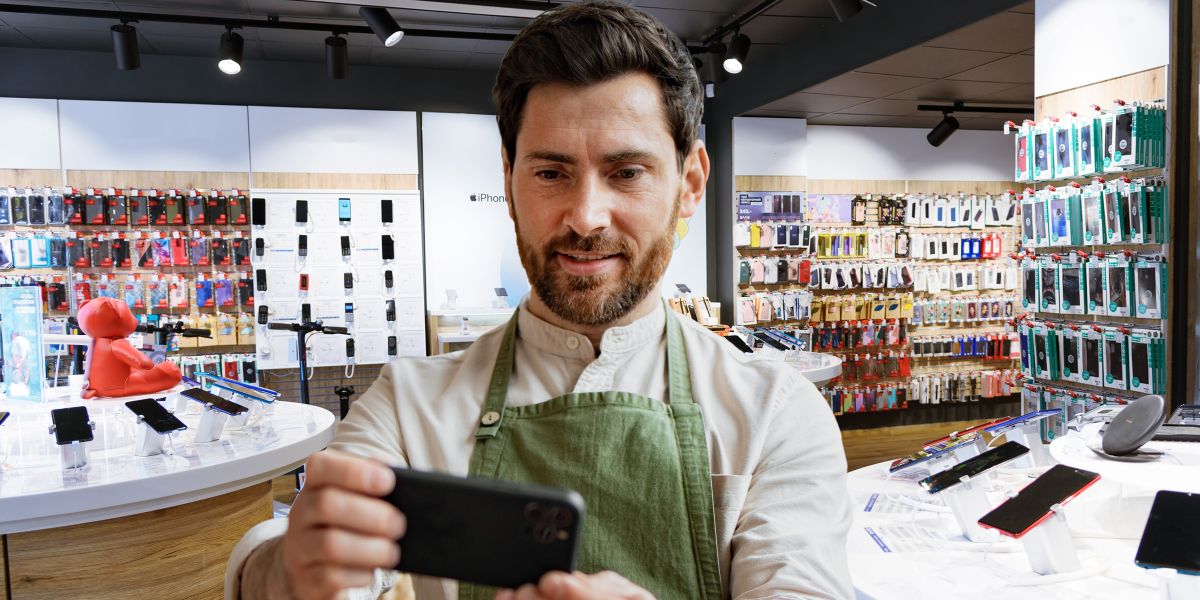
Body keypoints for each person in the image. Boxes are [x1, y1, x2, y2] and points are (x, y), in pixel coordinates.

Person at [230, 2, 852, 599]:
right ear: (508, 180)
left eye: (626, 172)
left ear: (689, 184)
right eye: (551, 173)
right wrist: (285, 573)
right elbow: (292, 550)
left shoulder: (773, 412)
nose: (585, 218)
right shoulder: (409, 403)